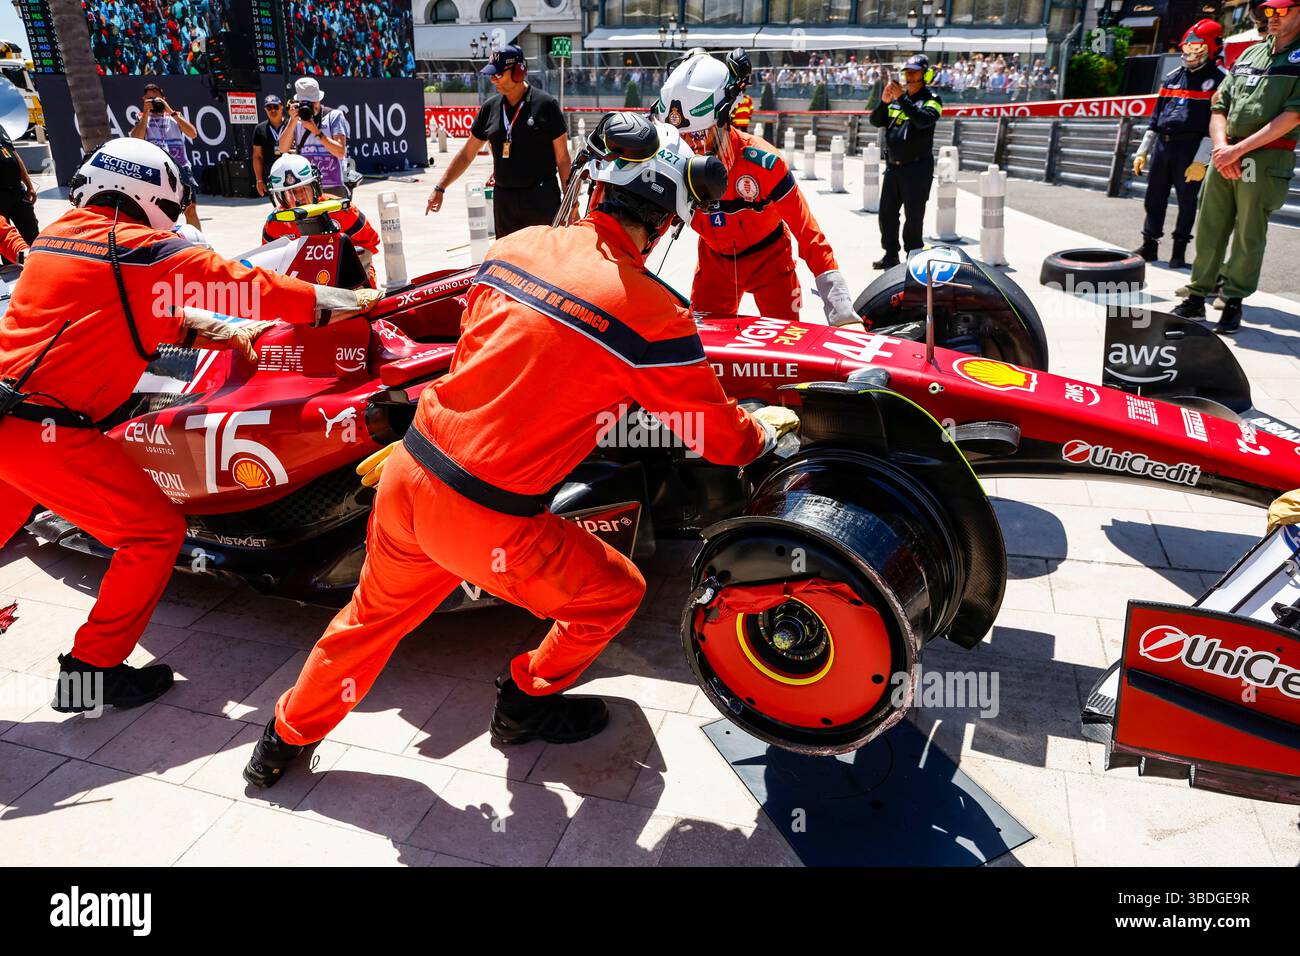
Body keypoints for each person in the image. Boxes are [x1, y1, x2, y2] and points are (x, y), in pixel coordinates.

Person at [243, 112, 801, 786]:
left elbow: (486, 350)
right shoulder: (653, 312)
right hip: (486, 517)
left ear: (599, 189)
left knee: (366, 622)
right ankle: (524, 699)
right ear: (665, 222)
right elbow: (718, 439)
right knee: (614, 593)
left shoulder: (519, 244)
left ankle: (281, 740)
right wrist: (763, 435)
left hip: (411, 471)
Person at [0, 138, 381, 713]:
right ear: (153, 195)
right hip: (44, 433)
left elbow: (128, 316)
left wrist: (226, 335)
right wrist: (359, 300)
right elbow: (265, 292)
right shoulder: (146, 252)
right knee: (152, 534)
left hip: (9, 420)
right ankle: (89, 676)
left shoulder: (61, 235)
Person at [652, 49, 858, 326]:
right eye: (680, 137)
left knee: (787, 346)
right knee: (702, 347)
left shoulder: (765, 163)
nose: (689, 147)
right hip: (715, 264)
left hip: (771, 261)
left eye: (698, 134)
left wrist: (841, 308)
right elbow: (648, 231)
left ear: (723, 120)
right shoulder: (673, 162)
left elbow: (807, 232)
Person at [1173, 0, 1300, 335]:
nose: (1270, 18)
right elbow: (1219, 104)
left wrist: (1239, 151)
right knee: (1209, 225)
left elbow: (1292, 115)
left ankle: (1233, 301)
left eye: (1280, 11)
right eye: (1266, 12)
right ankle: (1197, 294)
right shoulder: (1250, 54)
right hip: (1226, 151)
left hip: (1265, 157)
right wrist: (1221, 149)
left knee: (1248, 232)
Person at [425, 45, 571, 237]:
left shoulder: (546, 105)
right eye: (491, 75)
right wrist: (440, 187)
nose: (493, 80)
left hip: (541, 199)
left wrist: (571, 204)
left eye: (498, 75)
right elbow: (467, 153)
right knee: (507, 264)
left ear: (519, 71)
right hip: (505, 202)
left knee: (543, 263)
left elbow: (562, 159)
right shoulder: (490, 108)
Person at [1131, 20, 1228, 268]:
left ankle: (1179, 252)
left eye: (1198, 48)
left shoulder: (1220, 80)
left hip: (1192, 147)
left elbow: (1217, 124)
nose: (1190, 53)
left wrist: (1201, 160)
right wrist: (1142, 152)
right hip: (1164, 146)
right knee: (1154, 198)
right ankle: (1150, 244)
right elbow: (1155, 120)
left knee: (1187, 201)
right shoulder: (1172, 77)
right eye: (1188, 47)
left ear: (1211, 49)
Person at [868, 54, 943, 269]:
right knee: (887, 214)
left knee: (914, 216)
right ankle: (890, 254)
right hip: (893, 168)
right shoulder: (897, 99)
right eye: (907, 72)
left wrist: (902, 98)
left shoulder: (933, 100)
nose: (909, 76)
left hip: (917, 169)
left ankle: (914, 257)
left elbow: (922, 120)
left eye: (915, 72)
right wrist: (884, 102)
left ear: (925, 74)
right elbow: (876, 120)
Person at [261, 153, 380, 284]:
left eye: (303, 190)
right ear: (279, 197)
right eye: (289, 193)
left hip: (349, 283)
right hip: (302, 288)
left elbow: (369, 243)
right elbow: (269, 264)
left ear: (315, 186)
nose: (298, 198)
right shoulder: (275, 223)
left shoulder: (340, 209)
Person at [130, 82, 200, 228]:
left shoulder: (174, 116)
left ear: (164, 98)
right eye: (150, 99)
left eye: (157, 99)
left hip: (181, 167)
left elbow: (192, 134)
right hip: (155, 170)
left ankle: (198, 243)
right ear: (144, 100)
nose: (154, 102)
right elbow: (136, 139)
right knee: (155, 212)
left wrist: (170, 111)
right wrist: (146, 114)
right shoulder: (141, 118)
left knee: (191, 209)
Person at [277, 77, 350, 196]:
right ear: (298, 102)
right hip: (306, 187)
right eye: (305, 103)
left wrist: (316, 131)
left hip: (333, 185)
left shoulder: (333, 116)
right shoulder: (296, 121)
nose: (310, 107)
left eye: (312, 103)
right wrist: (292, 122)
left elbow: (340, 152)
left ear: (319, 99)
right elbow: (282, 149)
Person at [0, 120, 38, 249]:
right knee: (7, 240)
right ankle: (13, 268)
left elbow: (15, 155)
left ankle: (36, 262)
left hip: (17, 191)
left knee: (32, 232)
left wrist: (29, 185)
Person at [251, 94, 288, 199]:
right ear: (265, 110)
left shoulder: (291, 125)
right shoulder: (260, 129)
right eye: (269, 107)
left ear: (281, 107)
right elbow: (257, 156)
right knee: (279, 208)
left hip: (293, 172)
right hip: (273, 176)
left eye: (275, 107)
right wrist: (259, 180)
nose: (273, 110)